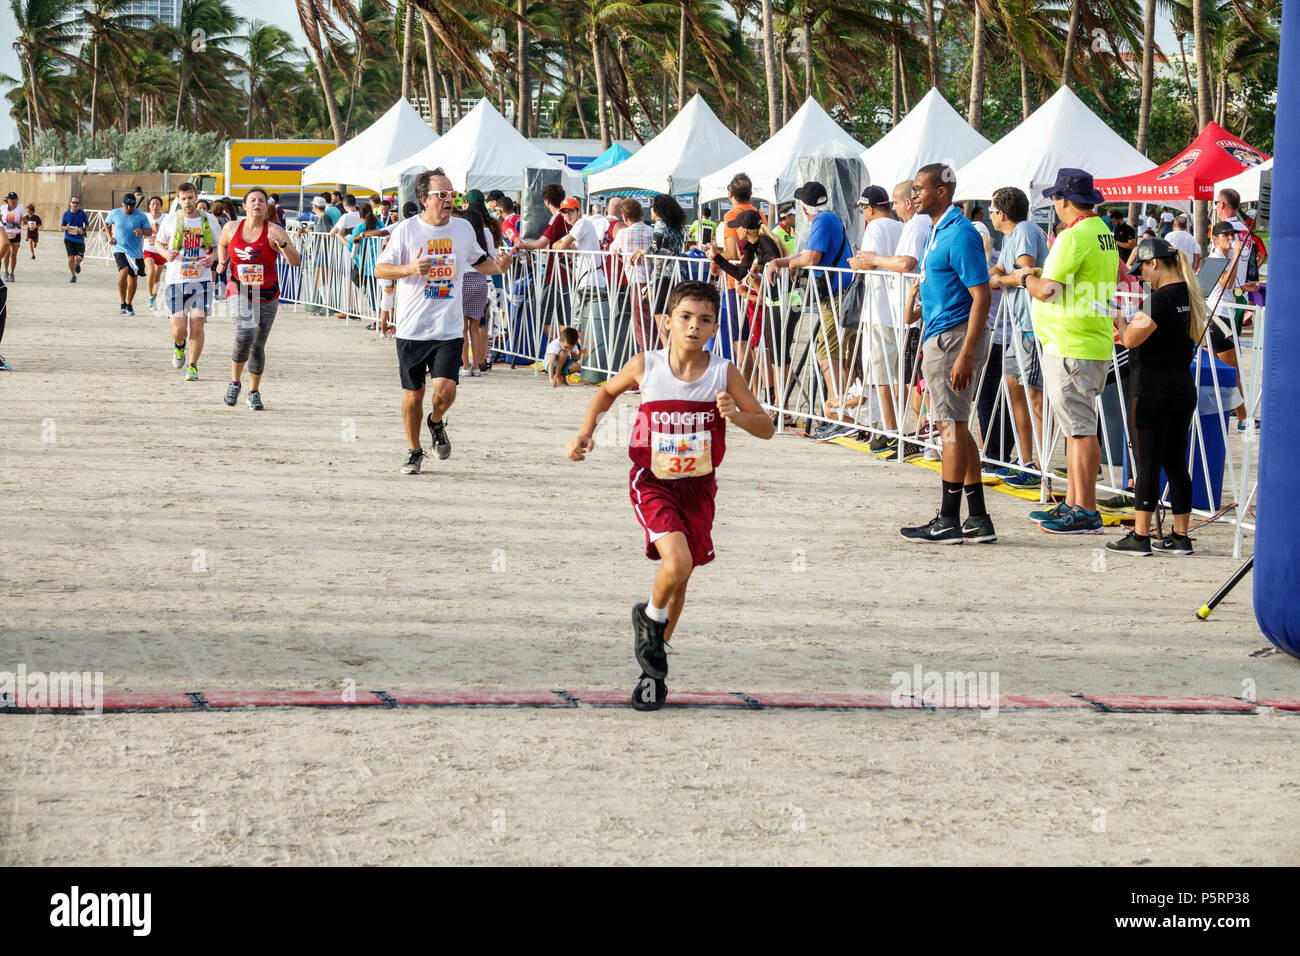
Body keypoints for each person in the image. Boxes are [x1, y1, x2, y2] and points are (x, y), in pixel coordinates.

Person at [565, 280, 774, 710]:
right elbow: (605, 392)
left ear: (715, 328)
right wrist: (585, 434)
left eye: (704, 320)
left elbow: (767, 426)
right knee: (675, 562)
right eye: (685, 317)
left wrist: (735, 416)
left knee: (681, 579)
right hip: (653, 481)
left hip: (699, 489)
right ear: (667, 322)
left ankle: (652, 671)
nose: (694, 327)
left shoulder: (723, 373)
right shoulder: (648, 366)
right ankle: (649, 619)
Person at [373, 168, 512, 475]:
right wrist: (410, 268)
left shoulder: (463, 229)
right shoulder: (406, 230)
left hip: (448, 328)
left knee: (446, 390)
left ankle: (435, 422)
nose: (449, 200)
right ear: (424, 199)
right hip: (412, 327)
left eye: (452, 194)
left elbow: (480, 262)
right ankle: (414, 450)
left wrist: (500, 266)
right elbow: (380, 269)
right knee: (413, 395)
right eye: (442, 194)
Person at [1008, 168, 1118, 535]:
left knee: (1081, 430)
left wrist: (1024, 277)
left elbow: (1047, 291)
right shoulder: (1103, 231)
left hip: (1071, 342)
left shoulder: (1073, 237)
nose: (1054, 204)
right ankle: (1074, 503)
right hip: (1089, 337)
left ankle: (1085, 510)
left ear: (1065, 201)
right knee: (1076, 429)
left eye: (1056, 198)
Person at [897, 163, 995, 545]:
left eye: (920, 189)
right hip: (941, 335)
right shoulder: (938, 230)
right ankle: (978, 518)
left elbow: (981, 295)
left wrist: (966, 353)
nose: (914, 196)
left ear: (942, 191)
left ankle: (949, 520)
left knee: (950, 428)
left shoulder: (961, 234)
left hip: (954, 340)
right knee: (956, 425)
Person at [1107, 237, 1205, 556]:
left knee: (1146, 462)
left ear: (1154, 263)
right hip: (1181, 385)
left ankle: (1140, 535)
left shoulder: (1159, 299)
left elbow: (1132, 339)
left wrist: (1118, 318)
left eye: (1143, 270)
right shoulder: (1189, 295)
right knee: (1176, 462)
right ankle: (1180, 536)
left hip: (1151, 387)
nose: (1142, 277)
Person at [764, 181, 854, 421]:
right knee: (834, 353)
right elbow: (806, 255)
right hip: (836, 295)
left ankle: (839, 413)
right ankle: (841, 411)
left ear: (804, 209)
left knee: (827, 353)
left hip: (836, 297)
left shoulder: (822, 221)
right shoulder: (828, 219)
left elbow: (811, 258)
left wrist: (788, 264)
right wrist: (782, 263)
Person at [987, 186, 1050, 488]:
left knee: (1034, 398)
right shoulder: (1010, 236)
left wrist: (1000, 280)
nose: (988, 214)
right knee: (1014, 389)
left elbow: (1026, 273)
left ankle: (1042, 466)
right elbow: (996, 273)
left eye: (990, 209)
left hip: (1032, 326)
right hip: (1018, 327)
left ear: (1001, 213)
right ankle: (1027, 462)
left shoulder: (1024, 229)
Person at [216, 187, 300, 409]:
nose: (257, 204)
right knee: (245, 332)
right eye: (252, 200)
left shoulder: (275, 231)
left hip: (267, 294)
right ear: (244, 206)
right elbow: (222, 244)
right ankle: (234, 382)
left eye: (261, 201)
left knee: (257, 345)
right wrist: (222, 261)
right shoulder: (232, 227)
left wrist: (281, 245)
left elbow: (295, 261)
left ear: (266, 206)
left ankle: (253, 391)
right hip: (239, 288)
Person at [847, 185, 904, 447]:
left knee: (881, 374)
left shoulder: (875, 228)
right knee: (899, 374)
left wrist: (855, 262)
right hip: (898, 308)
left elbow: (867, 261)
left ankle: (890, 430)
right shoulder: (901, 225)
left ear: (868, 208)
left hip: (879, 307)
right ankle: (898, 426)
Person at [707, 208, 784, 399]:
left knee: (771, 353)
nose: (735, 232)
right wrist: (716, 257)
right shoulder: (751, 245)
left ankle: (776, 400)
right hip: (768, 299)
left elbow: (773, 256)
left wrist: (758, 261)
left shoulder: (764, 241)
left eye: (737, 228)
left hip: (779, 299)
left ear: (745, 229)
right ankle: (771, 398)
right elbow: (740, 273)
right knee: (763, 351)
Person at [151, 182, 222, 381]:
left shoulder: (209, 220)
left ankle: (193, 365)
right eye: (184, 198)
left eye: (191, 197)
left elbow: (220, 245)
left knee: (198, 324)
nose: (188, 202)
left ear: (196, 197)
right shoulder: (171, 220)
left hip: (202, 279)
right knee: (179, 329)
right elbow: (158, 242)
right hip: (176, 280)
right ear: (179, 200)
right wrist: (165, 253)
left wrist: (213, 257)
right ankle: (179, 345)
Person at [720, 174, 765, 365]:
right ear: (751, 193)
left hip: (737, 281)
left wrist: (714, 257)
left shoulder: (731, 215)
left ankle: (744, 387)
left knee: (741, 341)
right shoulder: (759, 213)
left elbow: (731, 253)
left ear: (730, 194)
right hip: (756, 278)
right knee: (755, 341)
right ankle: (755, 389)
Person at [455, 190, 501, 376]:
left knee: (463, 328)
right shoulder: (487, 233)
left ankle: (465, 366)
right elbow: (493, 255)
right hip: (481, 280)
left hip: (464, 281)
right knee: (477, 325)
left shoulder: (461, 235)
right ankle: (477, 366)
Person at [608, 197, 655, 352]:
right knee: (654, 321)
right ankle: (658, 354)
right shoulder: (652, 232)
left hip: (637, 281)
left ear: (624, 217)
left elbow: (612, 250)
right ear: (641, 214)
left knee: (641, 323)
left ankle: (646, 357)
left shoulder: (623, 234)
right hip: (654, 280)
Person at [105, 193, 152, 315]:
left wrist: (142, 231)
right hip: (119, 248)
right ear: (122, 203)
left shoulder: (141, 216)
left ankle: (129, 303)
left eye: (131, 206)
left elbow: (149, 231)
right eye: (126, 205)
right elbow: (106, 223)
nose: (129, 208)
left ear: (134, 205)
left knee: (133, 278)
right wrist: (110, 236)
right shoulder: (115, 213)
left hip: (135, 252)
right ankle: (122, 302)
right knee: (123, 272)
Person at [142, 196, 166, 308]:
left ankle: (155, 300)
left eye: (157, 204)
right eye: (153, 204)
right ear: (149, 206)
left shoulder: (165, 218)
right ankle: (150, 297)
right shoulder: (145, 217)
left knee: (157, 276)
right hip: (148, 249)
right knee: (151, 271)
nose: (155, 206)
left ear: (161, 206)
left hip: (161, 250)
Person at [60, 196, 89, 284]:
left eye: (77, 203)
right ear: (70, 203)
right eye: (73, 202)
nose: (75, 204)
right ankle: (73, 276)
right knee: (70, 258)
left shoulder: (82, 214)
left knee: (79, 258)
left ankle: (77, 264)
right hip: (69, 239)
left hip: (79, 240)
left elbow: (87, 225)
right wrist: (66, 228)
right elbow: (61, 227)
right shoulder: (66, 214)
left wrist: (83, 229)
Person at [1, 192, 23, 281]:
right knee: (7, 254)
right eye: (10, 199)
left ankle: (12, 273)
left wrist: (22, 221)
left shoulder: (20, 208)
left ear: (17, 200)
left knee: (14, 254)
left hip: (16, 233)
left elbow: (24, 220)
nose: (12, 201)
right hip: (6, 233)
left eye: (14, 199)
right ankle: (6, 272)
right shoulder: (2, 208)